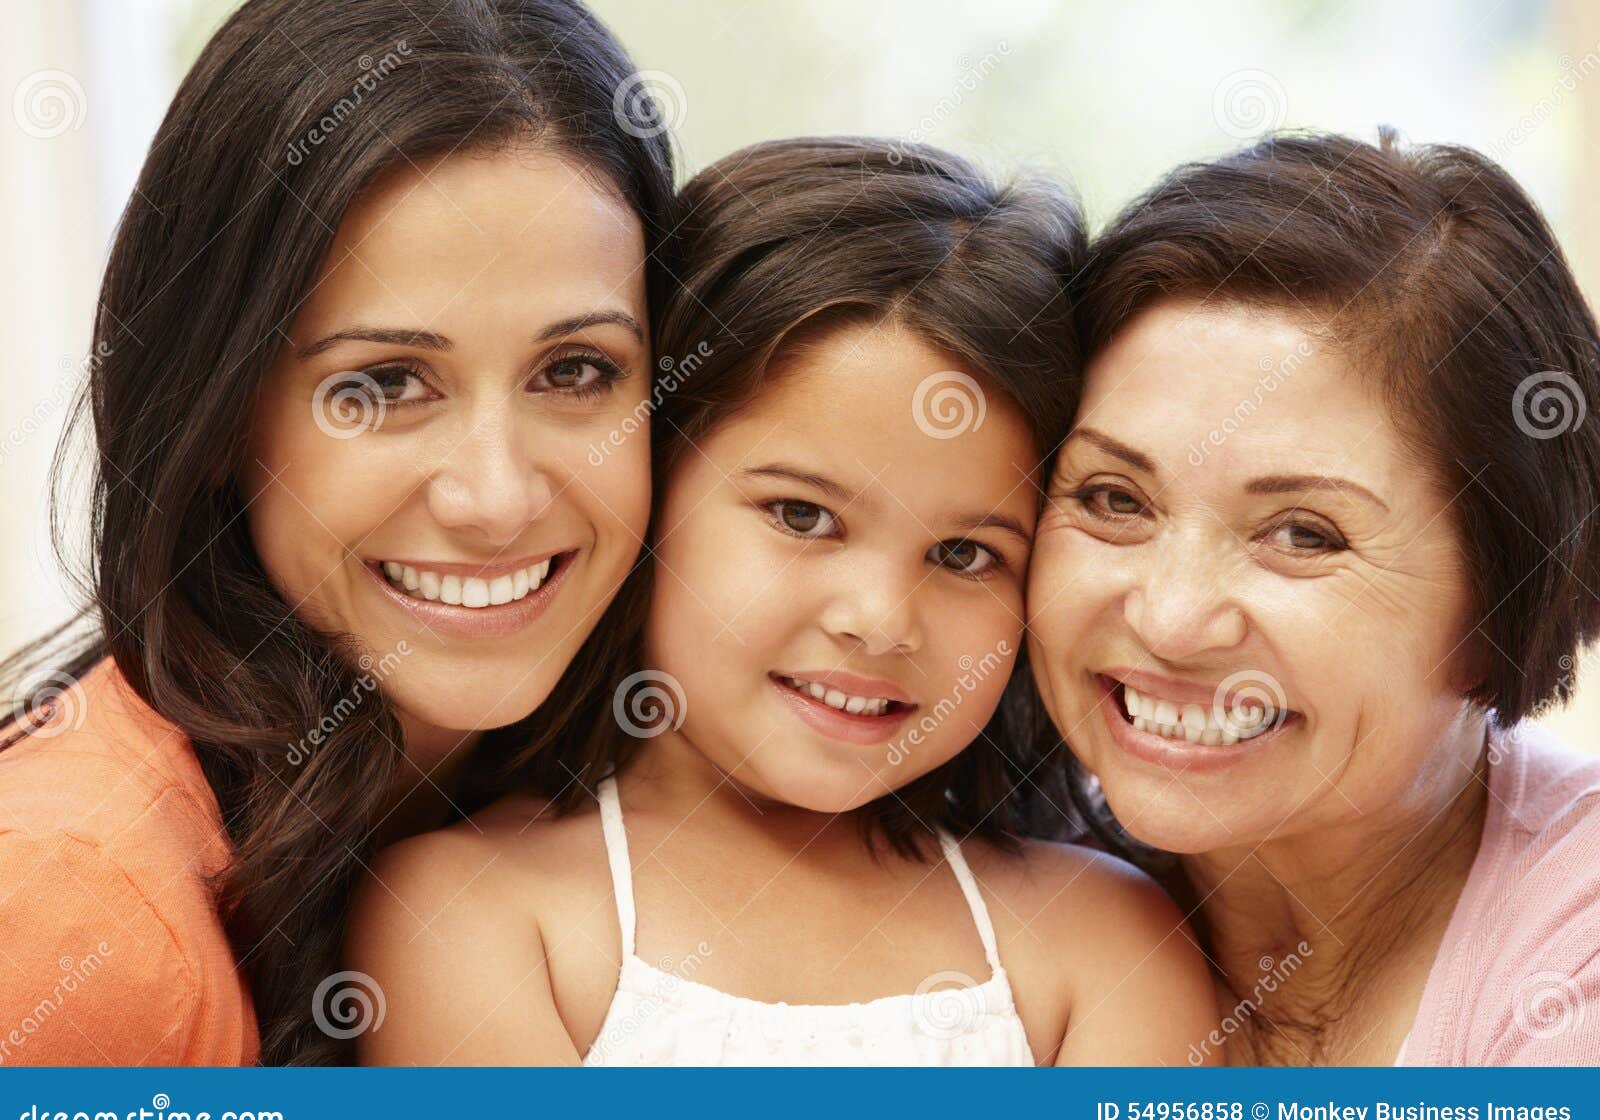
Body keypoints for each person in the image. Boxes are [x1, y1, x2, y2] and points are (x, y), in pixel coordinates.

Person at [349, 138, 1217, 1066]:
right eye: (802, 515)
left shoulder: (1106, 943)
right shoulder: (469, 916)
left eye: (965, 552)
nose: (880, 618)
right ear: (651, 485)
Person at [0, 0, 676, 1065]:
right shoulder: (73, 914)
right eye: (386, 383)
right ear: (214, 414)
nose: (495, 497)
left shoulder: (575, 799)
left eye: (575, 370)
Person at [1027, 129, 1600, 1064]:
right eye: (1113, 499)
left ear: (1507, 596)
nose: (1169, 621)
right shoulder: (976, 860)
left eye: (1303, 533)